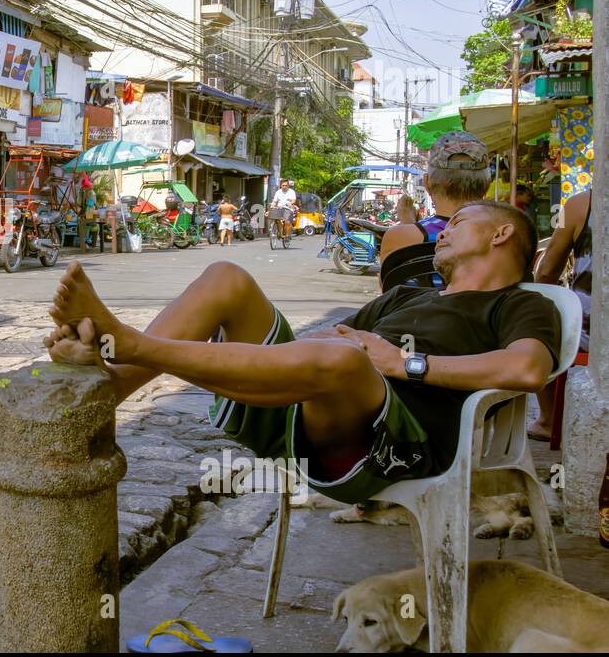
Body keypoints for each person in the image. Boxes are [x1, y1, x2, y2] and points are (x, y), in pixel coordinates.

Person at [43, 199, 561, 504]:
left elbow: (528, 367)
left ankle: (129, 343)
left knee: (346, 359)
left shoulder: (519, 303)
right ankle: (113, 386)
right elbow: (331, 342)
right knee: (227, 278)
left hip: (386, 449)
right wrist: (274, 356)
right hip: (301, 406)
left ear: (501, 232)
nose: (442, 230)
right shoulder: (408, 296)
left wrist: (404, 363)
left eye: (458, 222)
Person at [528, 187, 593, 441]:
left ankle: (547, 419)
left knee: (536, 323)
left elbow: (546, 274)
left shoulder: (578, 205)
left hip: (592, 333)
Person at [379, 131, 492, 265]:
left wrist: (408, 224)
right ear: (488, 184)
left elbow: (389, 284)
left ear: (427, 183)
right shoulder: (504, 236)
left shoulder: (399, 237)